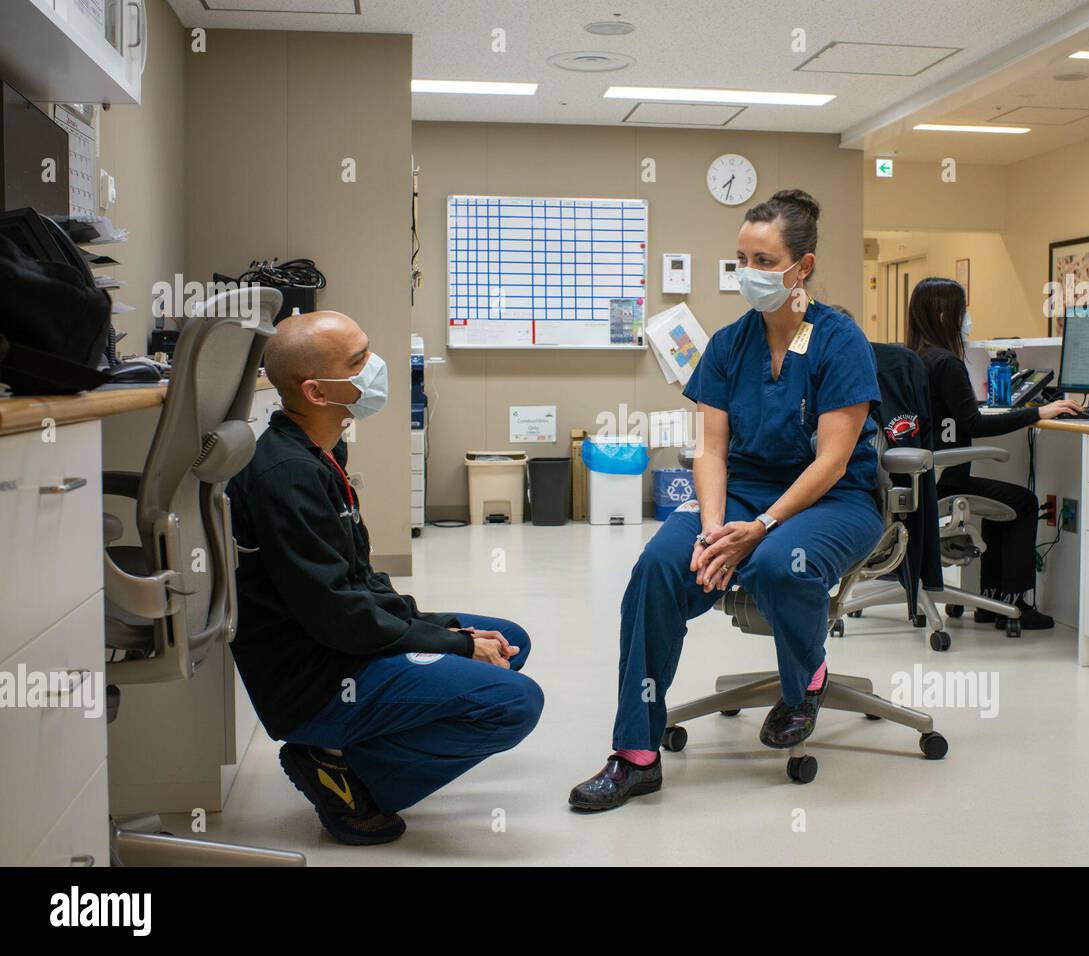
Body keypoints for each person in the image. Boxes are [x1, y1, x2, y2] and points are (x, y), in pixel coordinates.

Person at [569, 190, 883, 812]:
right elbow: (709, 450)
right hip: (740, 492)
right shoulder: (729, 345)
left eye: (764, 260)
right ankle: (635, 751)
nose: (749, 273)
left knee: (776, 562)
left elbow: (833, 460)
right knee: (659, 567)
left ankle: (805, 681)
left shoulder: (840, 341)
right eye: (741, 257)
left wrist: (759, 527)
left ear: (803, 268)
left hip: (834, 498)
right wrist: (715, 528)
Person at [228, 311, 543, 844]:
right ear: (317, 392)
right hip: (317, 678)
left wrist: (444, 630)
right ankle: (340, 780)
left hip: (340, 639)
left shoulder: (320, 453)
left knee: (508, 641)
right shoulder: (287, 476)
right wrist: (455, 645)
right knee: (514, 701)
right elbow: (341, 617)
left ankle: (343, 752)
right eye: (358, 362)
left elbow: (359, 581)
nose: (376, 368)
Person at [904, 277, 1082, 630]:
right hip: (944, 481)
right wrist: (1038, 412)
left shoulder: (911, 358)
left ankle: (990, 601)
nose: (967, 318)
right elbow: (974, 424)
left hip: (916, 480)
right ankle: (1012, 603)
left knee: (1002, 499)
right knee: (1023, 502)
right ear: (945, 316)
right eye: (963, 310)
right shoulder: (947, 364)